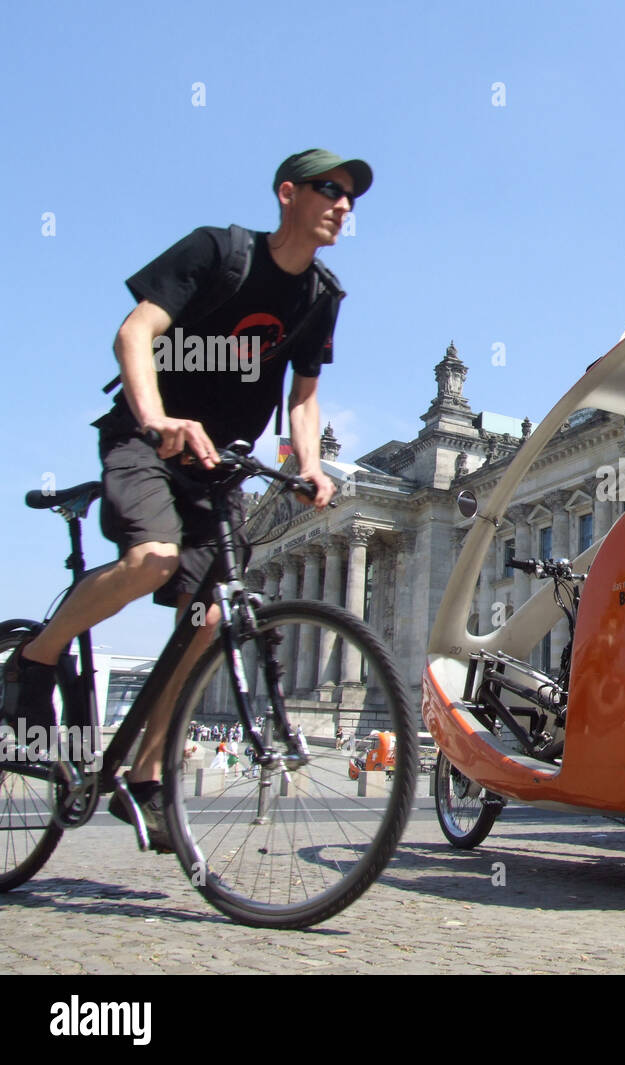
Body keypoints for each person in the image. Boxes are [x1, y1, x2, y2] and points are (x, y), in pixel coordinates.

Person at [3, 149, 371, 851]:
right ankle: (33, 660)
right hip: (148, 439)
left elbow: (305, 396)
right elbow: (135, 332)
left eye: (351, 196)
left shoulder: (322, 294)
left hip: (220, 464)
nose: (343, 205)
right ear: (287, 193)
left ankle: (146, 772)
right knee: (152, 557)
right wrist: (156, 418)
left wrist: (312, 464)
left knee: (211, 616)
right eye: (330, 189)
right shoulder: (218, 250)